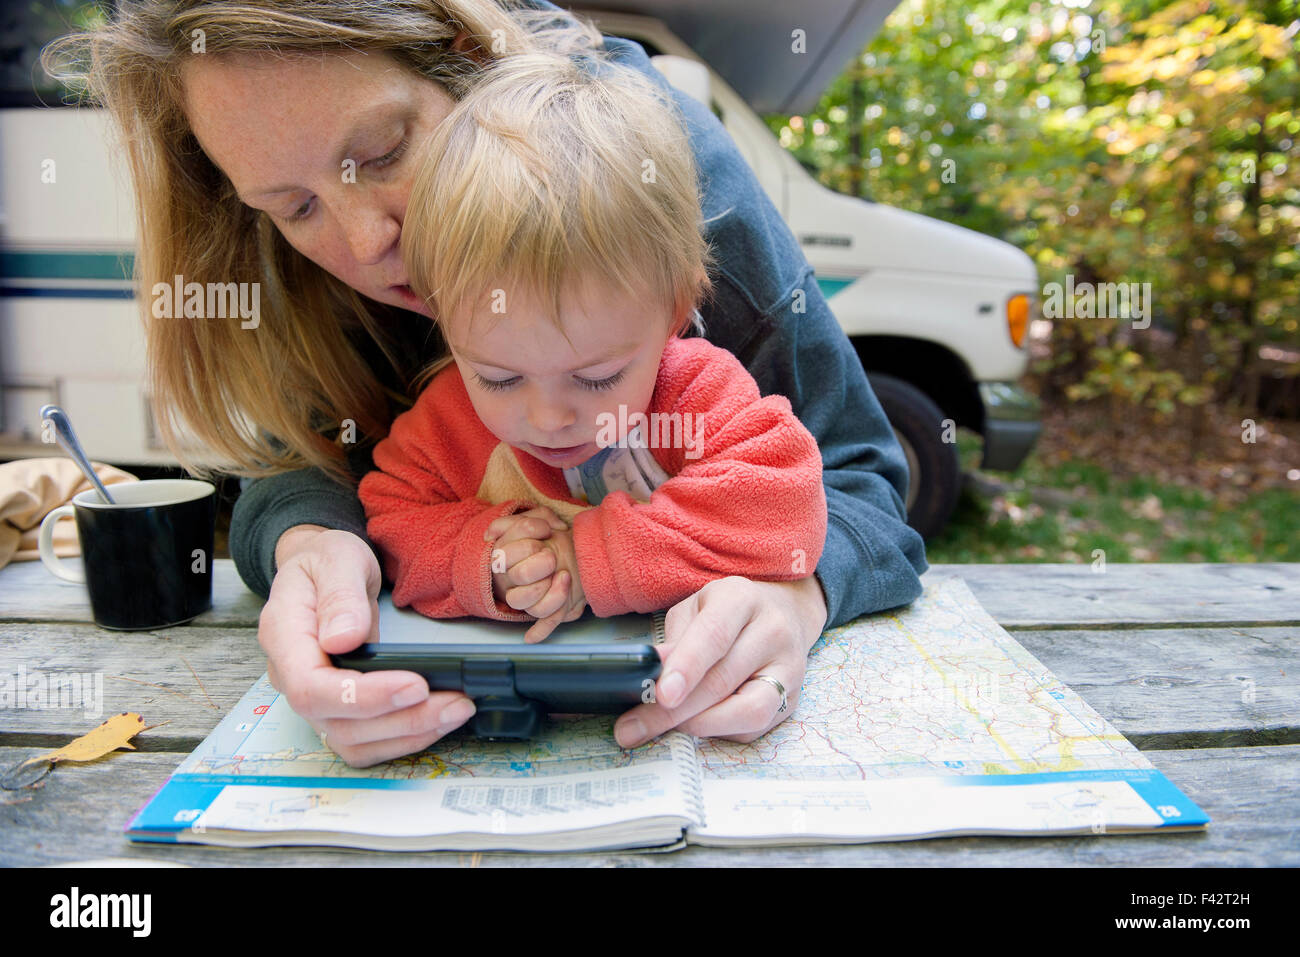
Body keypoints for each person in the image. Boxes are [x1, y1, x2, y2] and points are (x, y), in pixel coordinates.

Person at [49, 0, 927, 768]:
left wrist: (797, 593)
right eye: (294, 207)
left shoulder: (652, 178)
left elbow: (857, 473)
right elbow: (305, 461)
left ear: (467, 56)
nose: (363, 244)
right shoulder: (311, 279)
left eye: (383, 152)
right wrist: (310, 543)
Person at [357, 51, 828, 642]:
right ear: (444, 324)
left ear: (674, 316)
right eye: (499, 379)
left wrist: (590, 558)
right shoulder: (447, 423)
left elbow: (784, 507)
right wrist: (491, 562)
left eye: (598, 377)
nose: (549, 418)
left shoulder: (696, 394)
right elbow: (390, 523)